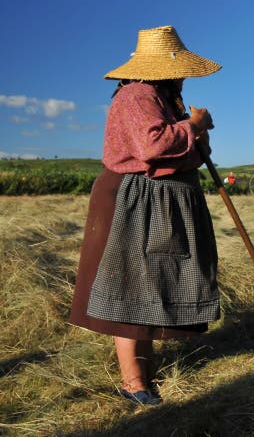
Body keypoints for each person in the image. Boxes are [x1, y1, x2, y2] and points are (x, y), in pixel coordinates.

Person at [69, 25, 221, 406]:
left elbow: (178, 152)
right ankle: (133, 382)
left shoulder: (163, 97)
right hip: (133, 202)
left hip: (158, 201)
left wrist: (197, 139)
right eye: (181, 69)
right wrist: (194, 126)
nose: (185, 75)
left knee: (151, 284)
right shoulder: (137, 94)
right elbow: (152, 144)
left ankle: (144, 368)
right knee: (130, 288)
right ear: (165, 68)